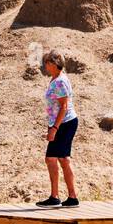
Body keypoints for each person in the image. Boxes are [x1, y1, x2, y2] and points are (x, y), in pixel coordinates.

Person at [36, 49, 79, 208]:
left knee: (51, 159)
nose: (45, 66)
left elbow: (63, 107)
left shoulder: (59, 81)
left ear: (54, 63)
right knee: (63, 159)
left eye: (47, 62)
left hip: (64, 123)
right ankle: (71, 197)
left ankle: (55, 197)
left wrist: (54, 128)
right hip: (64, 123)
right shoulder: (57, 79)